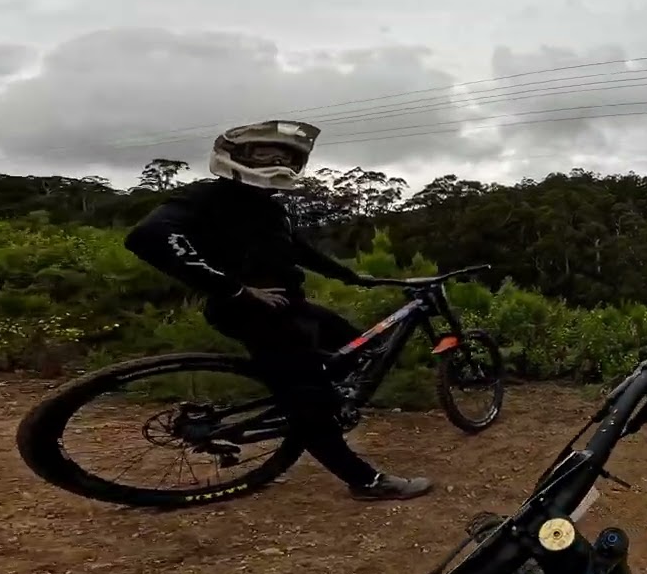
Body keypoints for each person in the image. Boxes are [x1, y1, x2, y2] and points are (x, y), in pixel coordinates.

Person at [123, 119, 433, 501]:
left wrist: (353, 278)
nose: (277, 162)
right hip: (251, 313)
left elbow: (300, 251)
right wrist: (236, 289)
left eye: (286, 157)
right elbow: (148, 236)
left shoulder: (269, 207)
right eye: (265, 154)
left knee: (358, 347)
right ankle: (363, 480)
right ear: (234, 156)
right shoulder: (208, 196)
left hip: (288, 307)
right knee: (310, 400)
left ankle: (310, 400)